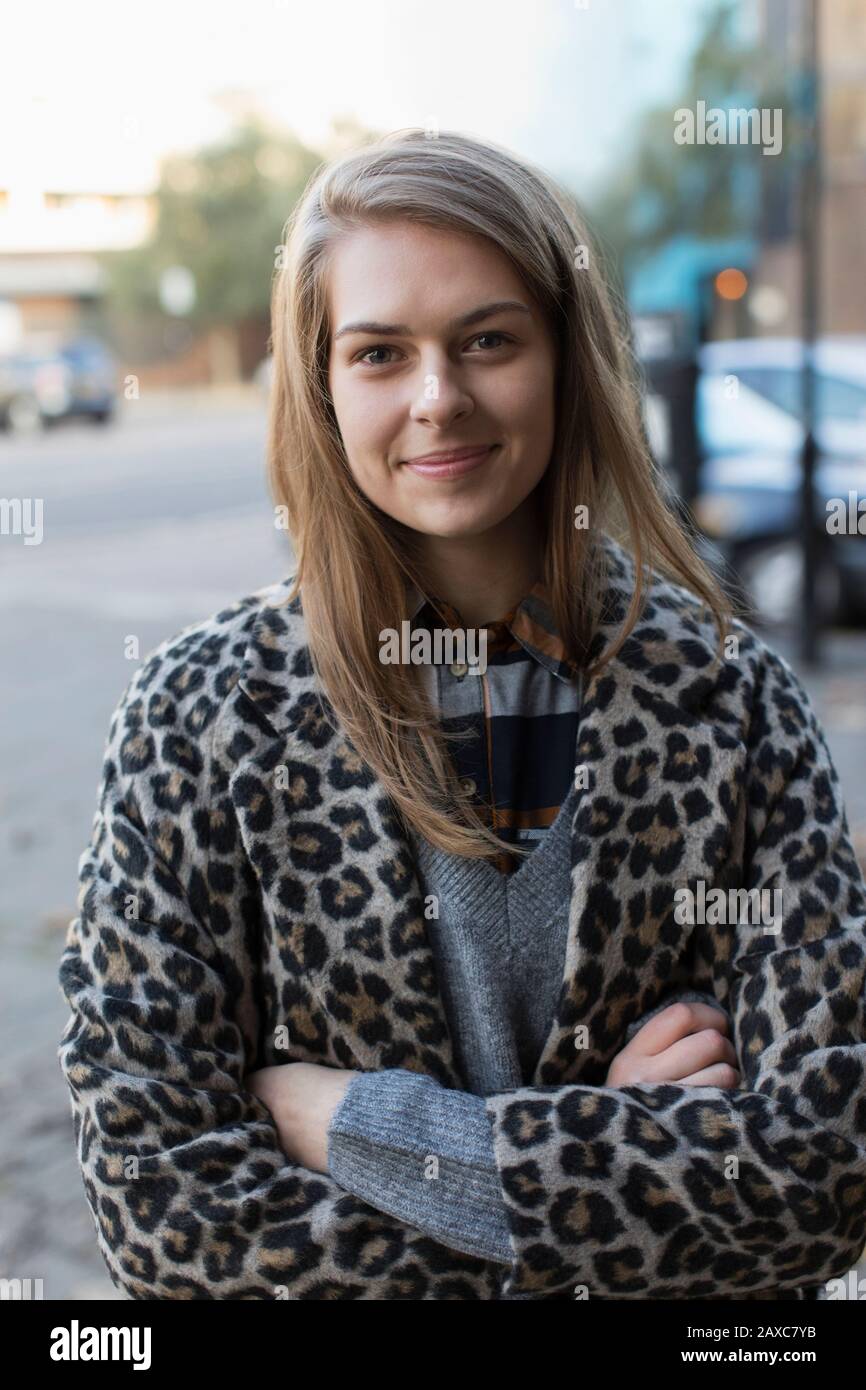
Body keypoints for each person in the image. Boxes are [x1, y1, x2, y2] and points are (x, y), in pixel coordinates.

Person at [57, 128, 866, 1301]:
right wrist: (613, 1174)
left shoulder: (730, 704)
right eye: (380, 353)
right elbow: (164, 1215)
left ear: (565, 358)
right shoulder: (204, 716)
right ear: (324, 386)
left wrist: (357, 1124)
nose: (438, 399)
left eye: (487, 339)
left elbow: (820, 1176)